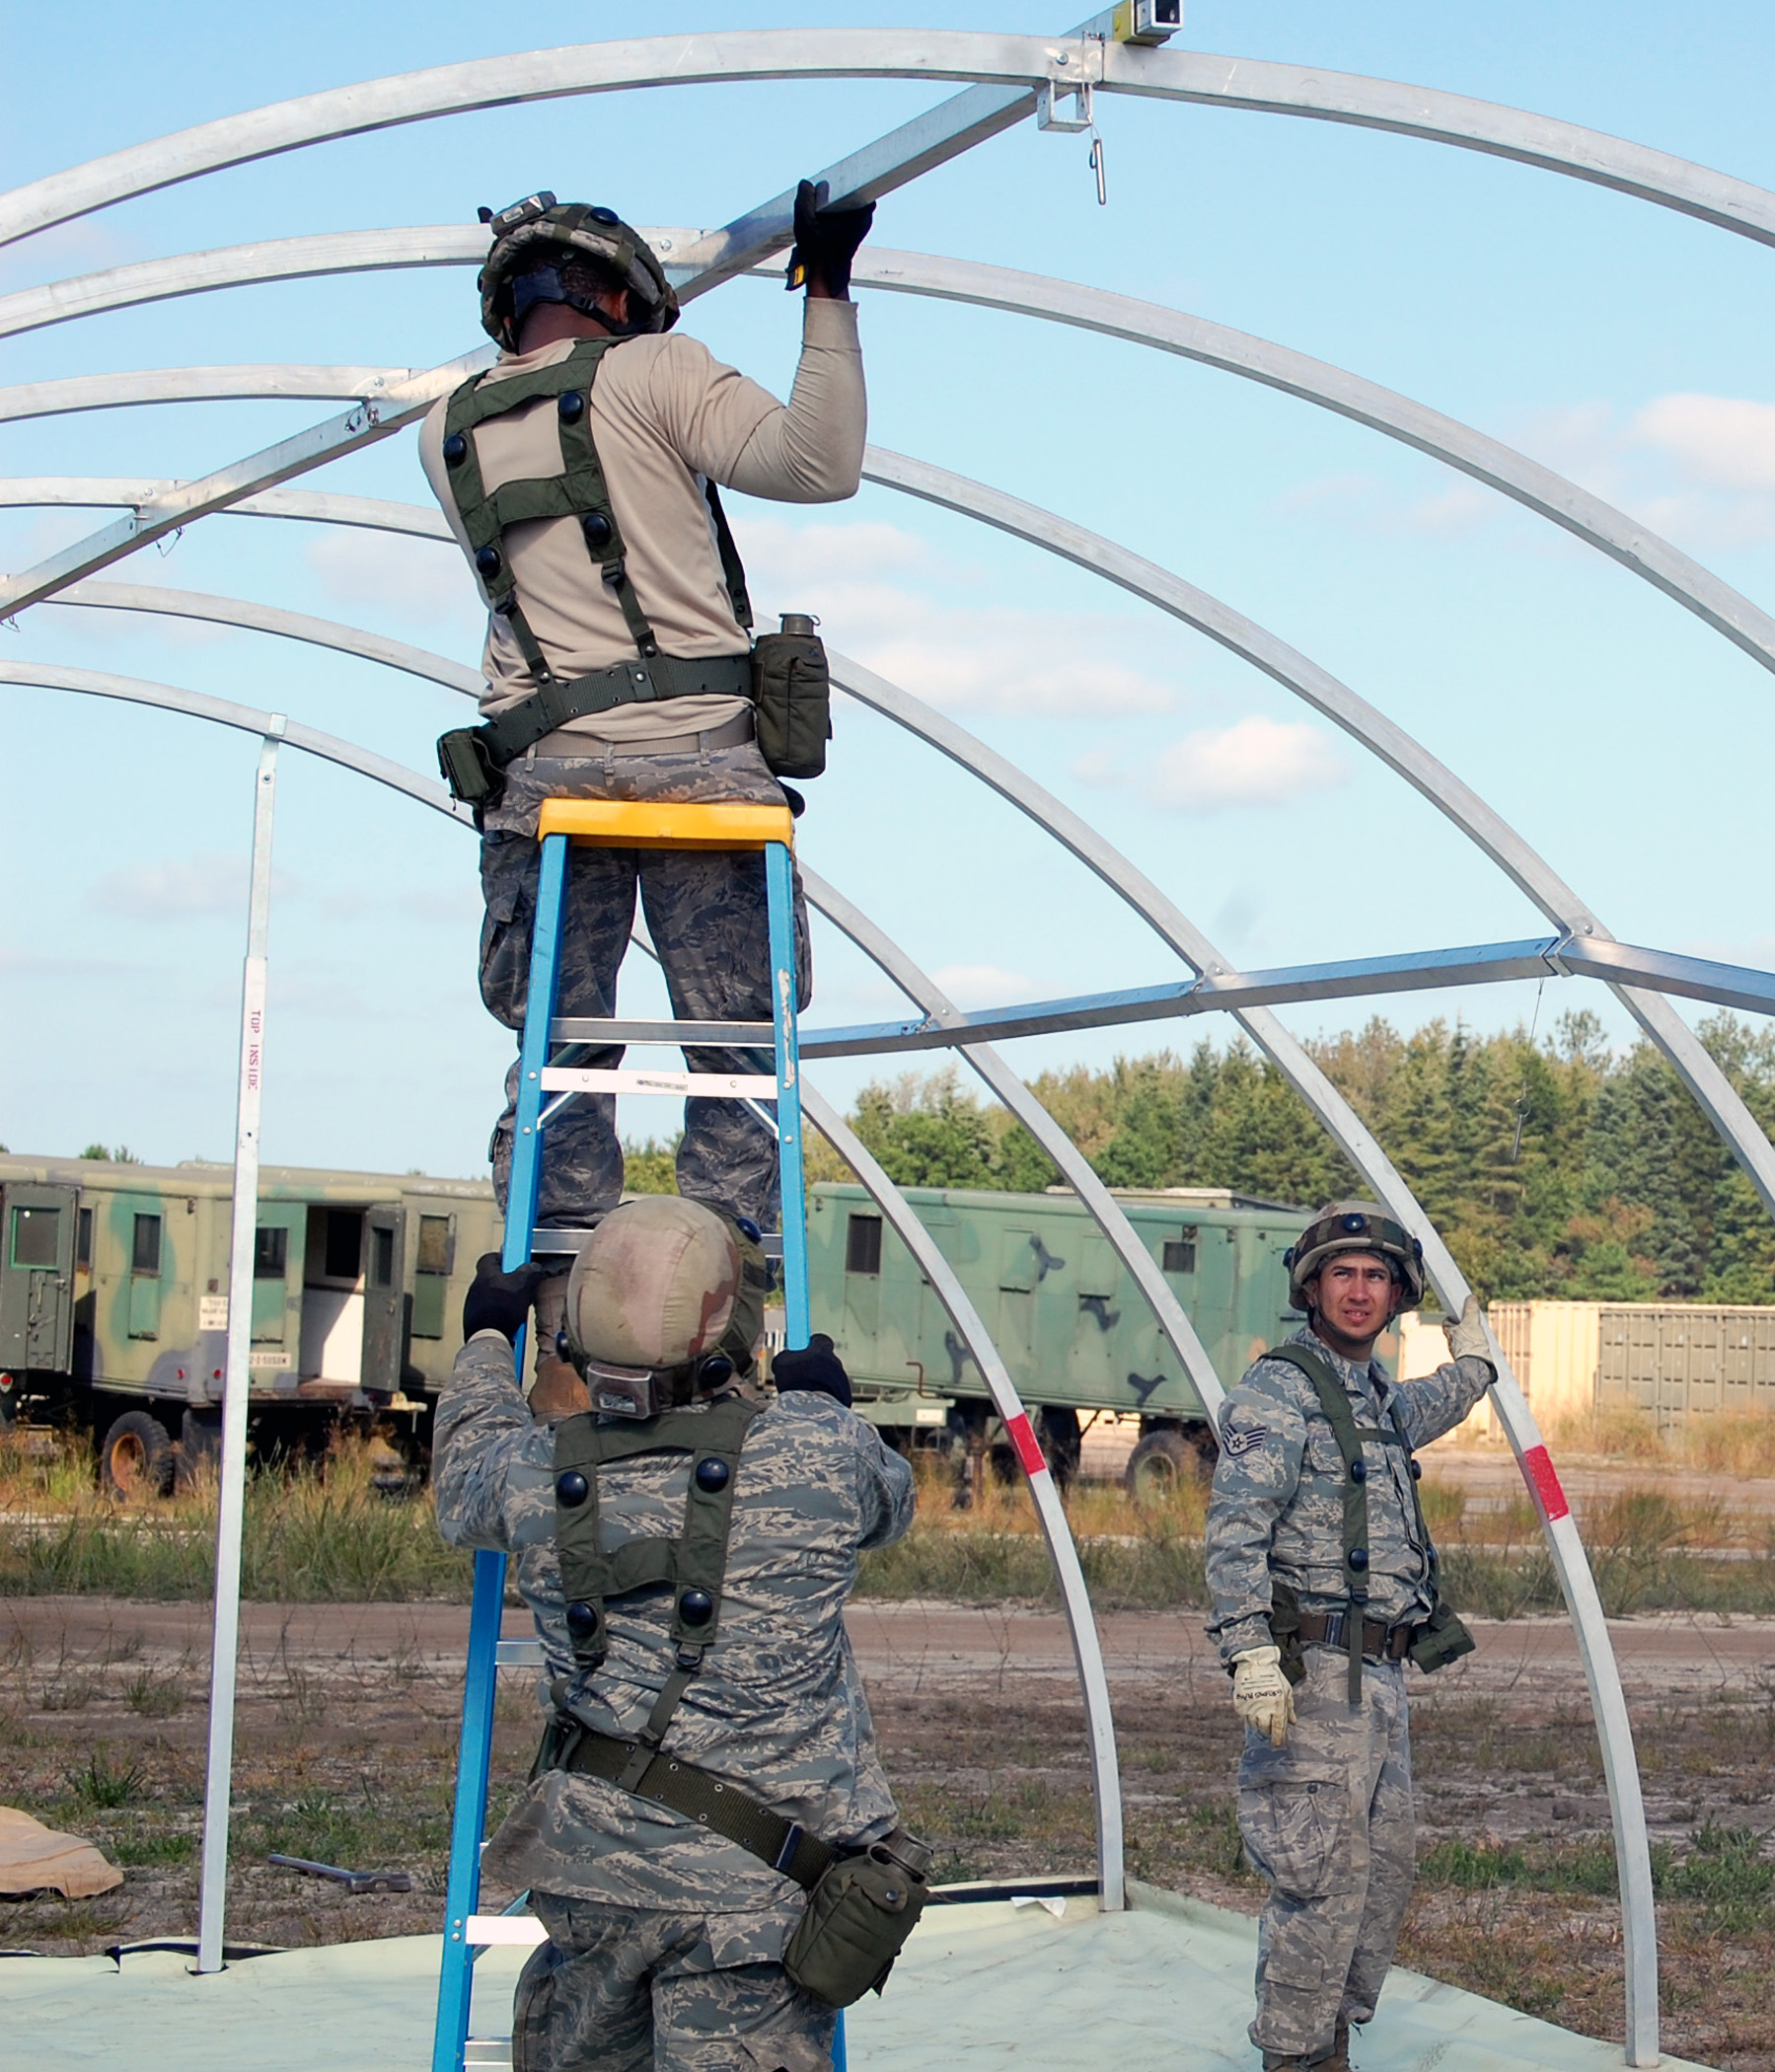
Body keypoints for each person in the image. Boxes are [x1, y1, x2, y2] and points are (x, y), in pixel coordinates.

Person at [423, 184, 874, 1241]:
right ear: (620, 300)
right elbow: (820, 465)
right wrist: (826, 288)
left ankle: (556, 1251)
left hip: (542, 779)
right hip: (700, 768)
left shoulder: (445, 427)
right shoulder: (657, 370)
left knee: (558, 1043)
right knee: (735, 1049)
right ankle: (719, 1265)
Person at [435, 1196, 920, 2072]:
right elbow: (892, 1502)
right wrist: (821, 1402)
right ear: (729, 1333)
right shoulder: (820, 1452)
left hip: (592, 1883)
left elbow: (463, 1472)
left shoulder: (534, 1473)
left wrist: (482, 1344)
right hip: (753, 1902)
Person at [1205, 1201, 1499, 2070]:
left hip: (1382, 1678)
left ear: (1398, 1292)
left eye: (1377, 1276)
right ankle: (1294, 2057)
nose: (1360, 1290)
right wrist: (1250, 1651)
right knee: (1319, 1877)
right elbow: (1236, 1529)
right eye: (1343, 1273)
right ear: (1311, 1287)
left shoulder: (1375, 1400)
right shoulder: (1280, 1393)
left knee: (1379, 1878)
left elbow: (1437, 1398)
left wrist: (1477, 1354)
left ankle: (1329, 2041)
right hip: (1316, 1678)